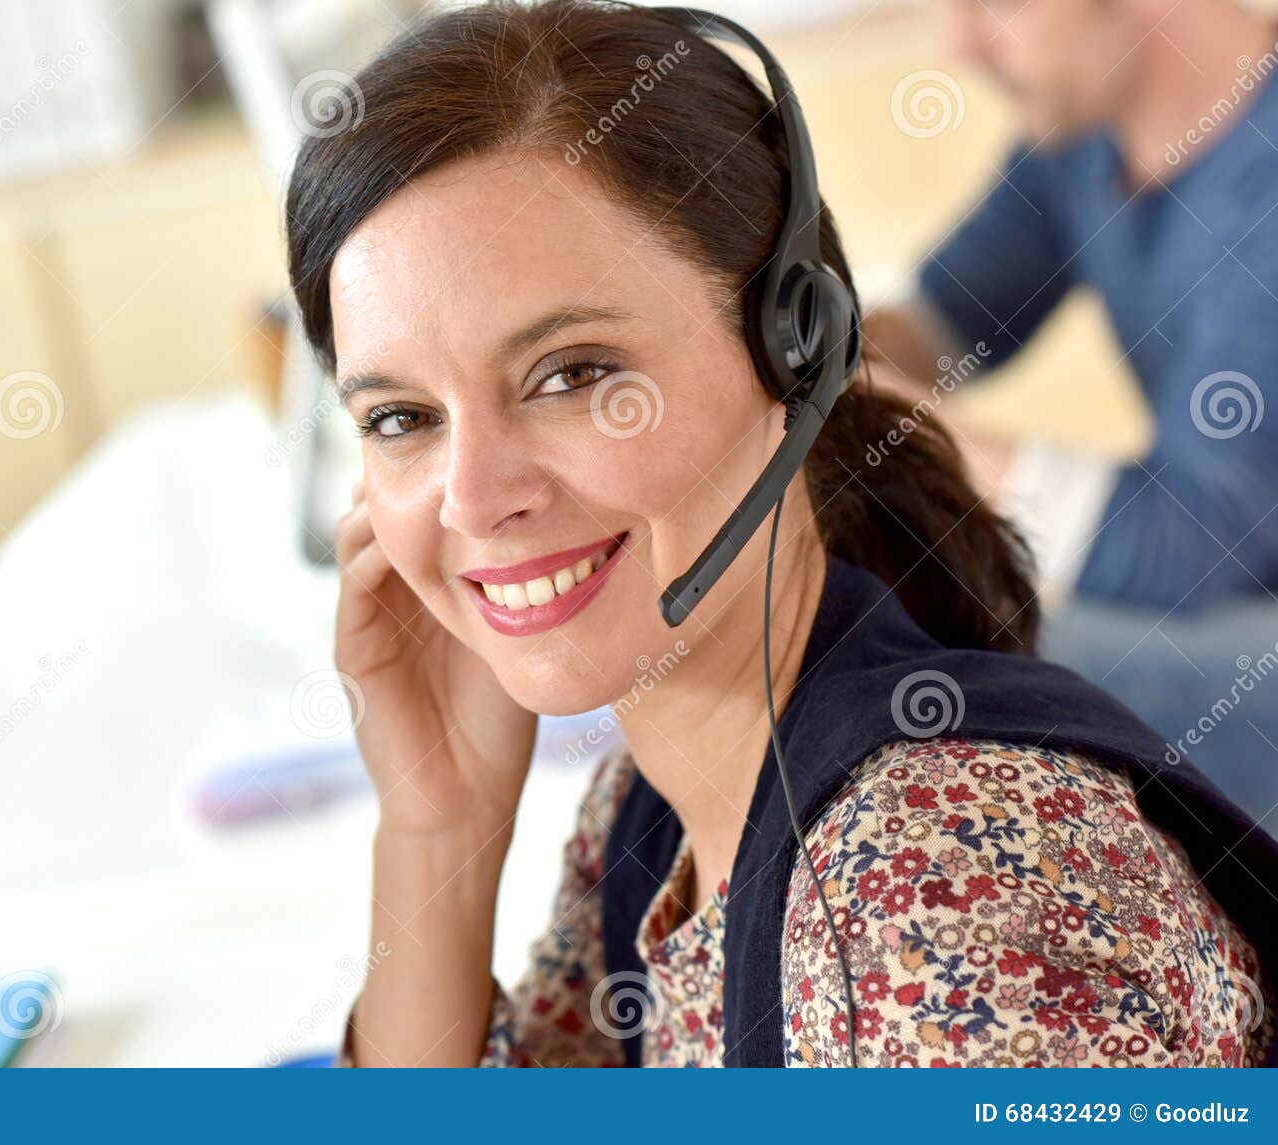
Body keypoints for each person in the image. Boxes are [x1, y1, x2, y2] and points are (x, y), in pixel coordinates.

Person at [285, 0, 1278, 1067]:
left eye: (574, 374)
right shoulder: (646, 815)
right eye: (401, 418)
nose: (472, 501)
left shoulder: (924, 904)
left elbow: (1198, 540)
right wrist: (437, 827)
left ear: (788, 351)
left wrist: (834, 381)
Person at [864, 0, 1278, 835]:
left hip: (1236, 600)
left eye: (994, 5)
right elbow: (946, 321)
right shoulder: (1083, 138)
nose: (959, 47)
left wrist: (877, 410)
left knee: (976, 670)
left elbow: (1187, 554)